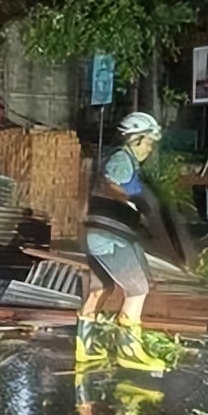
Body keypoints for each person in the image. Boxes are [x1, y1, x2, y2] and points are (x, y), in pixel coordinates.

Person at [78, 111, 176, 374]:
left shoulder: (119, 160)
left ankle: (84, 349)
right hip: (112, 238)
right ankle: (129, 352)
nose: (150, 148)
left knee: (101, 289)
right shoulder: (122, 161)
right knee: (138, 289)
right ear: (135, 140)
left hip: (98, 235)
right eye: (148, 142)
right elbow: (111, 185)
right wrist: (135, 202)